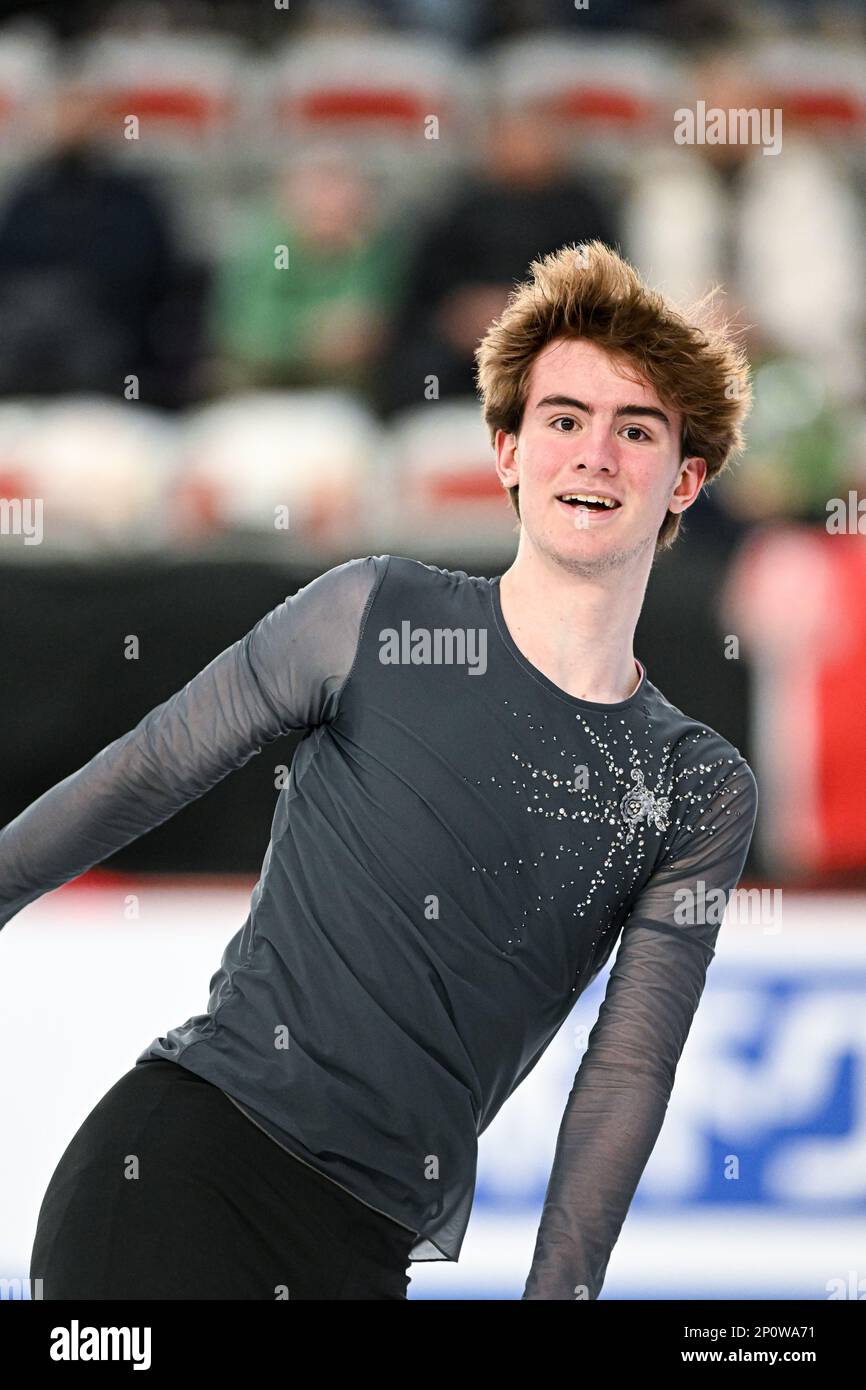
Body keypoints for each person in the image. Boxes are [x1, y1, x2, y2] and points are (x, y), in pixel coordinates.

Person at [3, 240, 758, 1299]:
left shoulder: (692, 783)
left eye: (633, 430)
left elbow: (627, 1064)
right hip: (179, 1170)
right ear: (505, 449)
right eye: (561, 419)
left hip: (361, 1253)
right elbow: (145, 771)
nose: (594, 453)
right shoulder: (373, 613)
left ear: (681, 477)